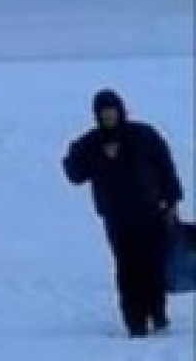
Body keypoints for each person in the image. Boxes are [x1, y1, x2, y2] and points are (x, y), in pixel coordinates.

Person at [63, 88, 184, 336]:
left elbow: (165, 166)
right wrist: (75, 155)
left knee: (153, 265)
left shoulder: (143, 135)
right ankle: (135, 321)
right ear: (97, 115)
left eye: (112, 111)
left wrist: (172, 201)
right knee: (127, 268)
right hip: (117, 218)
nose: (109, 116)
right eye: (103, 113)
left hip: (151, 212)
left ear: (121, 110)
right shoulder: (92, 143)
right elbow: (75, 175)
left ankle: (158, 314)